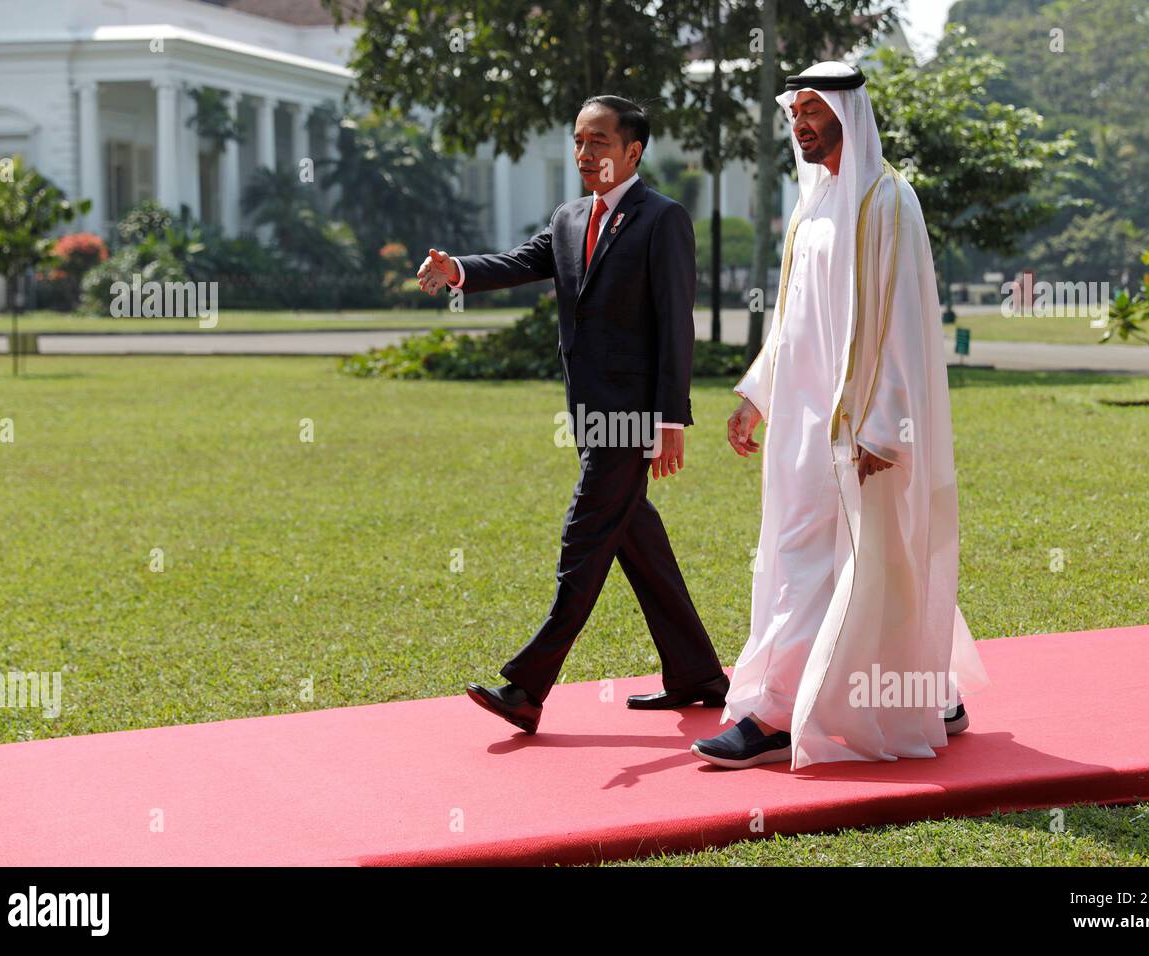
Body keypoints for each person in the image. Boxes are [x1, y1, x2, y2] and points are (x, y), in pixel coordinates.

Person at [691, 61, 990, 770]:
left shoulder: (888, 202)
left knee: (833, 560)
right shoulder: (812, 205)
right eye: (794, 111)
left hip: (860, 429)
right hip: (801, 428)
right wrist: (756, 394)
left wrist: (885, 427)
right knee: (851, 557)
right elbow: (796, 319)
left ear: (848, 115)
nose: (800, 122)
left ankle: (769, 714)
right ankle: (931, 692)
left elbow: (906, 326)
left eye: (813, 109)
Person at [417, 95, 728, 735]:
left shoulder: (662, 219)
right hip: (590, 413)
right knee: (636, 543)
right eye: (579, 142)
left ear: (632, 152)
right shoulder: (567, 219)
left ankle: (527, 688)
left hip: (634, 418)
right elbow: (521, 263)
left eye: (599, 143)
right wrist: (458, 271)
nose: (585, 155)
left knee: (583, 541)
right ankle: (698, 675)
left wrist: (671, 420)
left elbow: (676, 325)